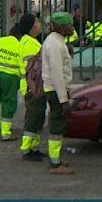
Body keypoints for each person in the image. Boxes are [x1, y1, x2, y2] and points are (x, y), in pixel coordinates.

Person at [40, 12, 77, 174]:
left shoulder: (56, 41)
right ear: (62, 27)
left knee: (58, 125)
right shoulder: (55, 44)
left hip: (56, 90)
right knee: (56, 126)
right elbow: (56, 73)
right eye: (70, 25)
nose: (72, 28)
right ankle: (54, 164)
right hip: (56, 90)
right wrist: (63, 100)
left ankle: (56, 159)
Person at [0, 18, 27, 142]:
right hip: (10, 77)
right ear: (19, 35)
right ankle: (5, 133)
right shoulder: (19, 45)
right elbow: (22, 64)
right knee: (8, 103)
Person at [17, 14, 46, 159]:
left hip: (34, 86)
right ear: (31, 27)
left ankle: (34, 147)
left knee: (37, 116)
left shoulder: (31, 41)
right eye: (37, 22)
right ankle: (26, 149)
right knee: (33, 118)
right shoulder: (29, 43)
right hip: (33, 86)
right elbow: (33, 68)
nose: (40, 24)